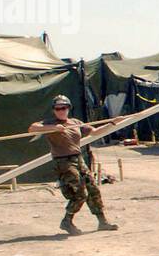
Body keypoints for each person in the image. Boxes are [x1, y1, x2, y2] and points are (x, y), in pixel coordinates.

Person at [28, 95, 121, 234]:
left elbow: (95, 132)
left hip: (78, 158)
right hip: (63, 161)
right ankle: (67, 221)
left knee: (93, 189)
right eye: (58, 108)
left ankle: (102, 221)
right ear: (54, 110)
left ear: (68, 108)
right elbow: (32, 128)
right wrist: (53, 127)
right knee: (79, 193)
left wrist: (112, 123)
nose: (61, 111)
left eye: (64, 108)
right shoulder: (50, 122)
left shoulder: (75, 122)